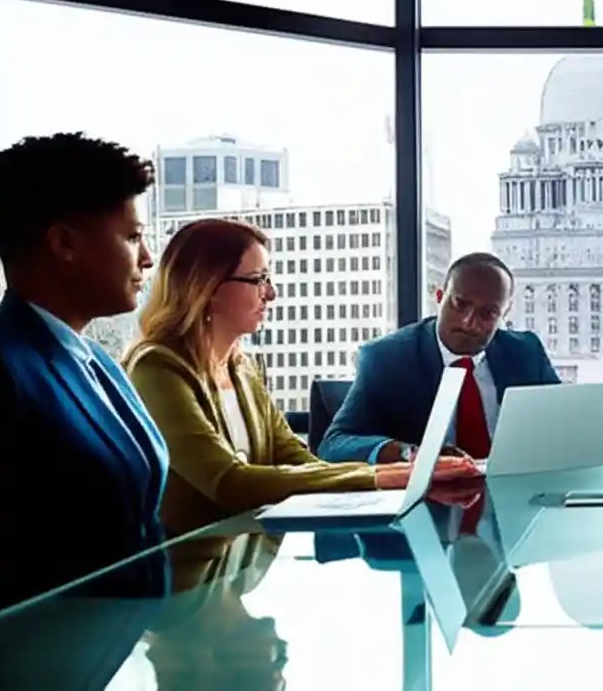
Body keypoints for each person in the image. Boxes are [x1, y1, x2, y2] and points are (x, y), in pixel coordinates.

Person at [123, 219, 431, 537]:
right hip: (186, 572)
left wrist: (389, 476)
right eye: (258, 280)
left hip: (241, 563)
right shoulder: (157, 369)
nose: (271, 293)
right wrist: (376, 477)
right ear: (208, 288)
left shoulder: (243, 368)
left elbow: (292, 457)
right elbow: (230, 483)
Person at [0, 132, 168, 610]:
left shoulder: (98, 363)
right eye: (132, 236)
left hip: (112, 653)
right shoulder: (5, 368)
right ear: (64, 242)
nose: (147, 258)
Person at [320, 252, 603, 463]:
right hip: (425, 513)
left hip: (511, 508)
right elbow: (334, 444)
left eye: (487, 313)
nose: (469, 321)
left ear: (503, 314)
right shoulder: (387, 357)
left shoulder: (524, 351)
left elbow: (570, 422)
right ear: (439, 298)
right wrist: (409, 453)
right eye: (460, 304)